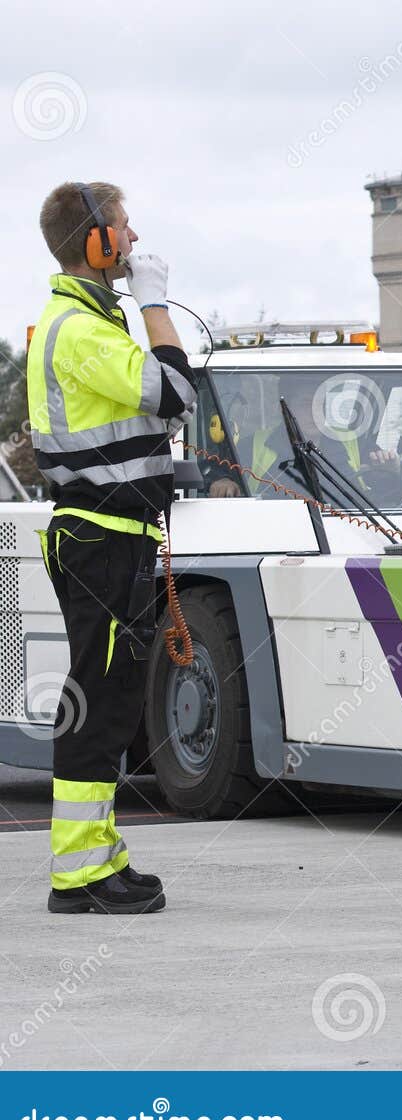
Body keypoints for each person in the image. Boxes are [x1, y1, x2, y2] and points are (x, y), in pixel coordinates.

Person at [27, 182, 197, 915]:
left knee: (112, 701)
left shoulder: (84, 322)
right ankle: (78, 874)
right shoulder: (84, 331)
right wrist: (155, 301)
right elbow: (175, 395)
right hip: (100, 539)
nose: (132, 241)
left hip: (108, 537)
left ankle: (101, 858)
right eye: (123, 229)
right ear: (95, 243)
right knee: (98, 706)